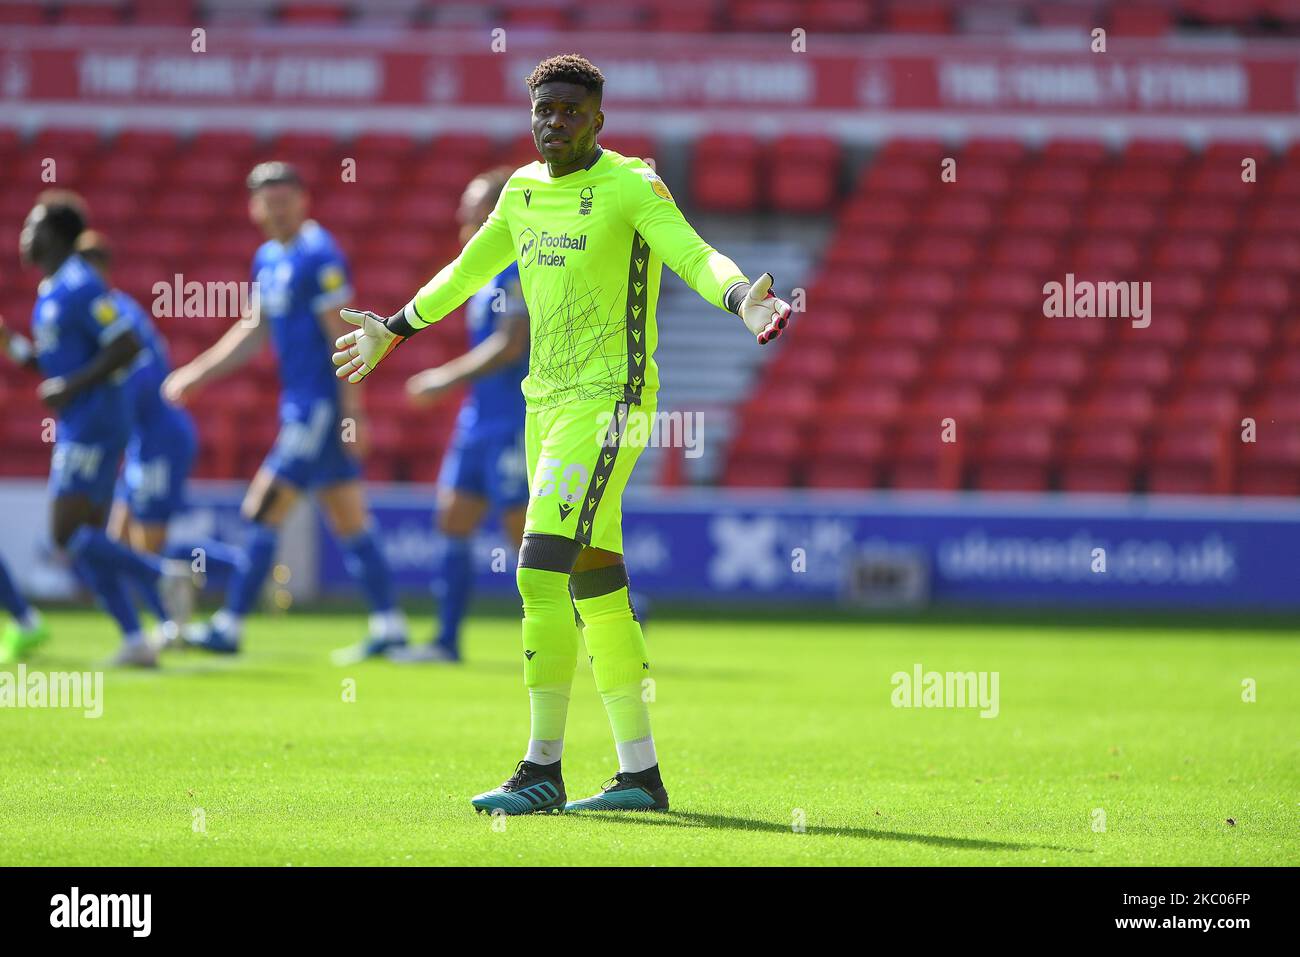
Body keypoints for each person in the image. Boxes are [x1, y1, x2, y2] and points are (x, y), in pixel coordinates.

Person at [332, 55, 793, 813]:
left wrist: (742, 298)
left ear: (598, 119)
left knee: (535, 571)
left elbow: (691, 254)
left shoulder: (630, 184)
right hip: (543, 407)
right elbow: (464, 272)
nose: (555, 122)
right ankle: (639, 776)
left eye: (571, 111)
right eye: (544, 110)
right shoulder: (519, 193)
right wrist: (394, 328)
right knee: (596, 582)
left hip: (612, 400)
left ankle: (540, 767)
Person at [164, 162, 407, 658]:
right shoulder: (268, 259)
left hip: (316, 409)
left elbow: (343, 338)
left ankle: (229, 624)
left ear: (303, 202)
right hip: (298, 404)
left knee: (261, 509)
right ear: (253, 208)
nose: (275, 211)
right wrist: (197, 373)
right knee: (350, 520)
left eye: (283, 201)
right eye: (266, 203)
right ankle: (390, 625)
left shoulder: (319, 255)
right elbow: (254, 332)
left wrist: (352, 414)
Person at [5, 191, 193, 667]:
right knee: (89, 541)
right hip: (84, 419)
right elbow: (54, 369)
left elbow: (125, 344)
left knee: (65, 536)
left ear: (54, 235)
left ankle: (161, 575)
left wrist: (71, 384)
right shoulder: (52, 292)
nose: (24, 235)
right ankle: (135, 639)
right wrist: (12, 347)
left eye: (32, 225)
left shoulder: (80, 285)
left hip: (95, 422)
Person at [390, 168, 530, 664]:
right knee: (452, 520)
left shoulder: (518, 267)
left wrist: (442, 379)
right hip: (477, 421)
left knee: (526, 540)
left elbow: (510, 345)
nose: (461, 215)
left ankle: (609, 609)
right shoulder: (481, 273)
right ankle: (446, 641)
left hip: (514, 420)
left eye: (473, 206)